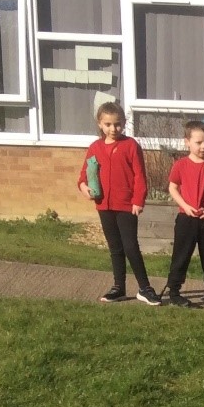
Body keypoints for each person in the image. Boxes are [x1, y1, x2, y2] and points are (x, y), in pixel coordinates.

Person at [78, 101, 160, 306]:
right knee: (115, 247)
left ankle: (144, 288)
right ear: (100, 124)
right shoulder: (95, 147)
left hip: (126, 205)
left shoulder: (130, 145)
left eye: (117, 124)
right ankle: (118, 287)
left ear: (124, 123)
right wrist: (84, 188)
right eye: (108, 124)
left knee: (131, 247)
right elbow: (84, 175)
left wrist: (138, 200)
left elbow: (140, 176)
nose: (113, 129)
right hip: (104, 205)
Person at [163, 120, 204, 309]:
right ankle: (174, 292)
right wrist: (185, 206)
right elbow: (173, 188)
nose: (203, 147)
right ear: (187, 142)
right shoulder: (180, 165)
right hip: (186, 219)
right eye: (198, 142)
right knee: (181, 255)